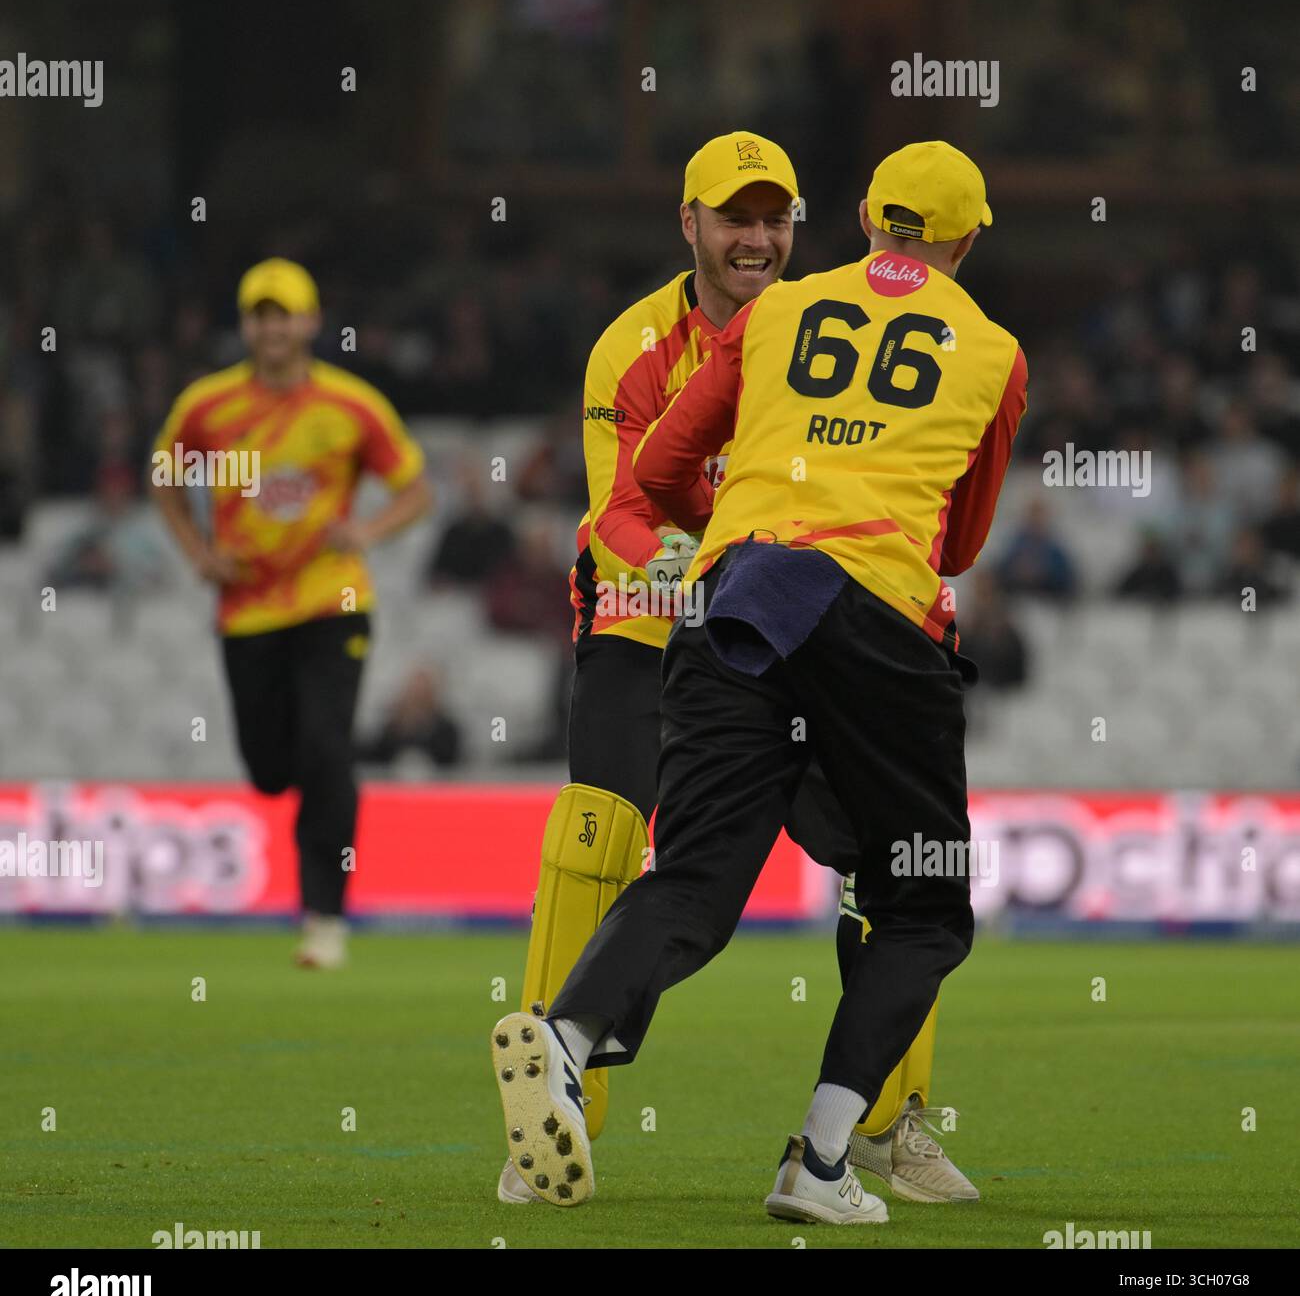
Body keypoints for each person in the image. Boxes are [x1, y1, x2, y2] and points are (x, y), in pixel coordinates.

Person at [492, 141, 1028, 1225]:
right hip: (863, 620)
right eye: (732, 217)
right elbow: (959, 543)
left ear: (854, 216)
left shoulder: (775, 320)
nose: (753, 238)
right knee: (916, 894)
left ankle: (564, 1036)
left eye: (770, 217)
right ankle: (823, 1151)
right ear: (970, 240)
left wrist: (738, 527)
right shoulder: (994, 349)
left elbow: (649, 477)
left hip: (735, 604)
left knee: (693, 876)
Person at [150, 258, 432, 969]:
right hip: (246, 611)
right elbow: (164, 479)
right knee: (272, 770)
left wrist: (365, 534)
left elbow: (415, 489)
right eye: (260, 315)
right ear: (246, 325)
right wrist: (198, 553)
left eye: (285, 314)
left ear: (310, 321)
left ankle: (326, 920)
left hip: (332, 599)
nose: (273, 328)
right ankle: (317, 888)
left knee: (327, 749)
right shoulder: (206, 408)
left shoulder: (351, 405)